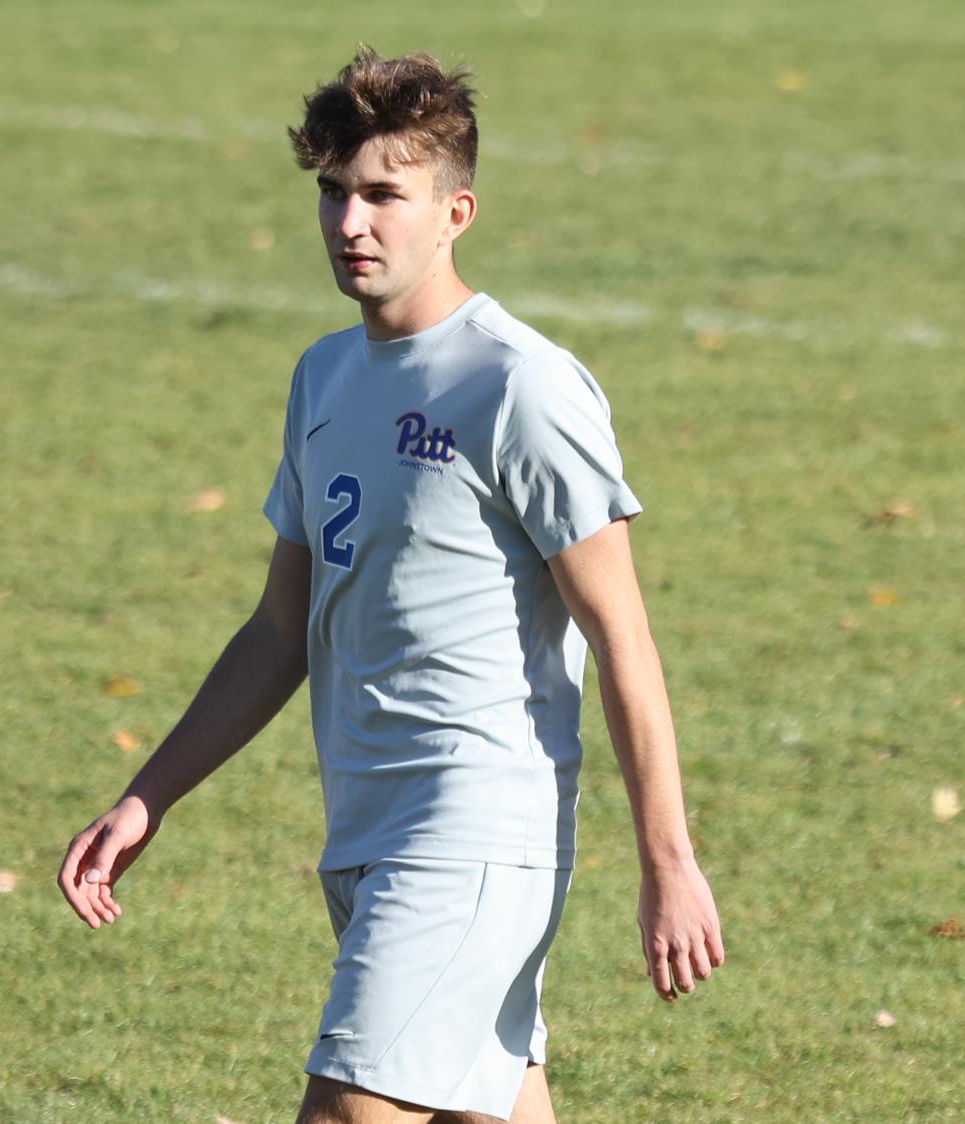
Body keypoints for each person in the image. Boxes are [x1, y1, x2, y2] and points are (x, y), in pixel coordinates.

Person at [57, 47, 724, 1124]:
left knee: (346, 1110)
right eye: (332, 192)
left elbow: (622, 638)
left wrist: (668, 860)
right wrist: (151, 790)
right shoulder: (323, 377)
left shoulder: (519, 386)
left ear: (454, 210)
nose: (349, 224)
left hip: (469, 831)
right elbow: (281, 628)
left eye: (381, 195)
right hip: (365, 823)